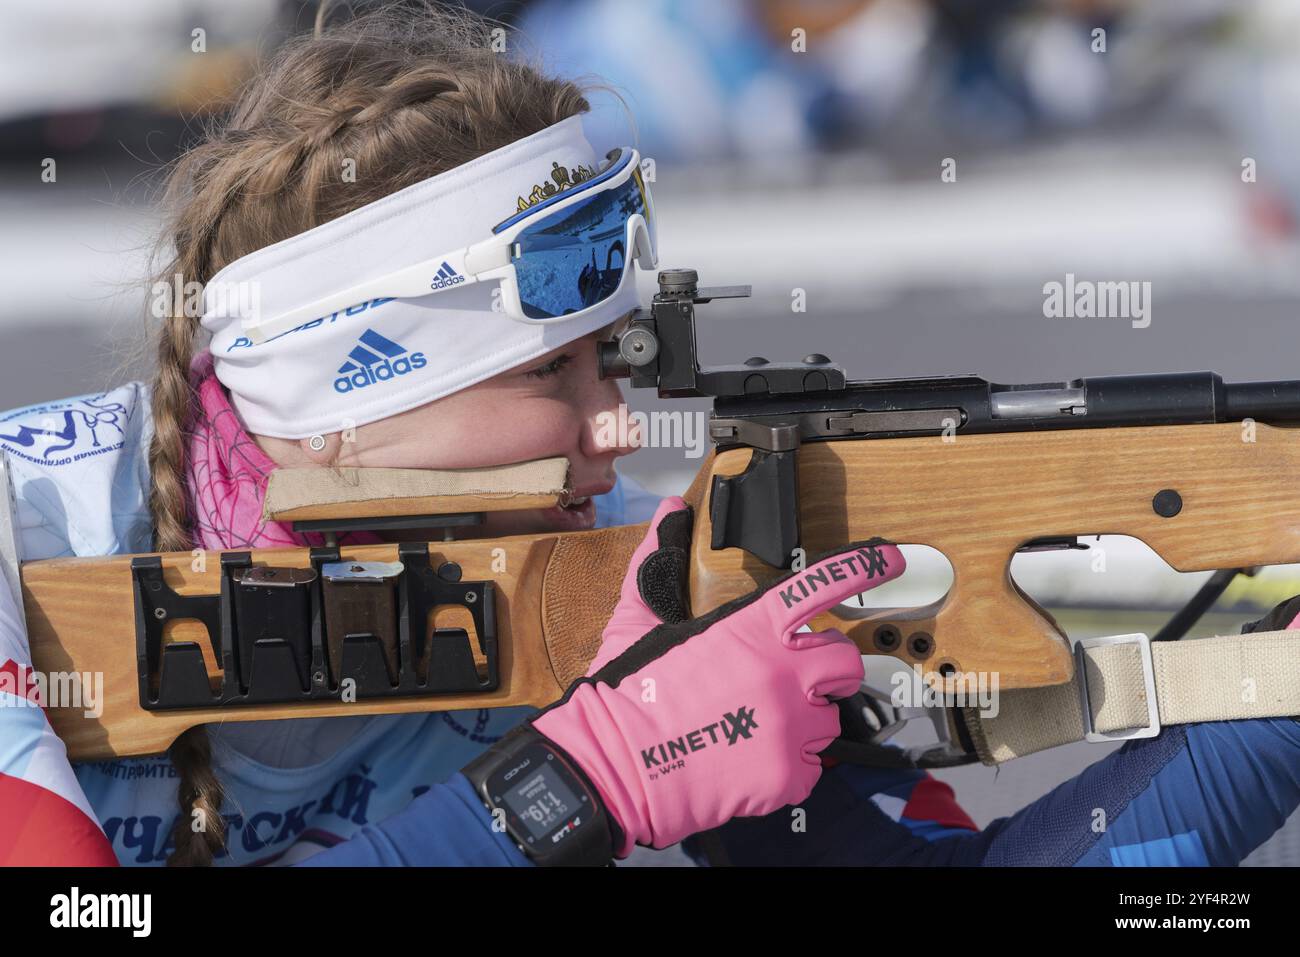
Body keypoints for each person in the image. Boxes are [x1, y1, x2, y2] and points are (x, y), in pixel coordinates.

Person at [0, 4, 1295, 868]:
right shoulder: (25, 538)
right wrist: (580, 781)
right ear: (347, 396)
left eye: (610, 361)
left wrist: (1279, 699)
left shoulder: (608, 578)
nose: (616, 424)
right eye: (548, 370)